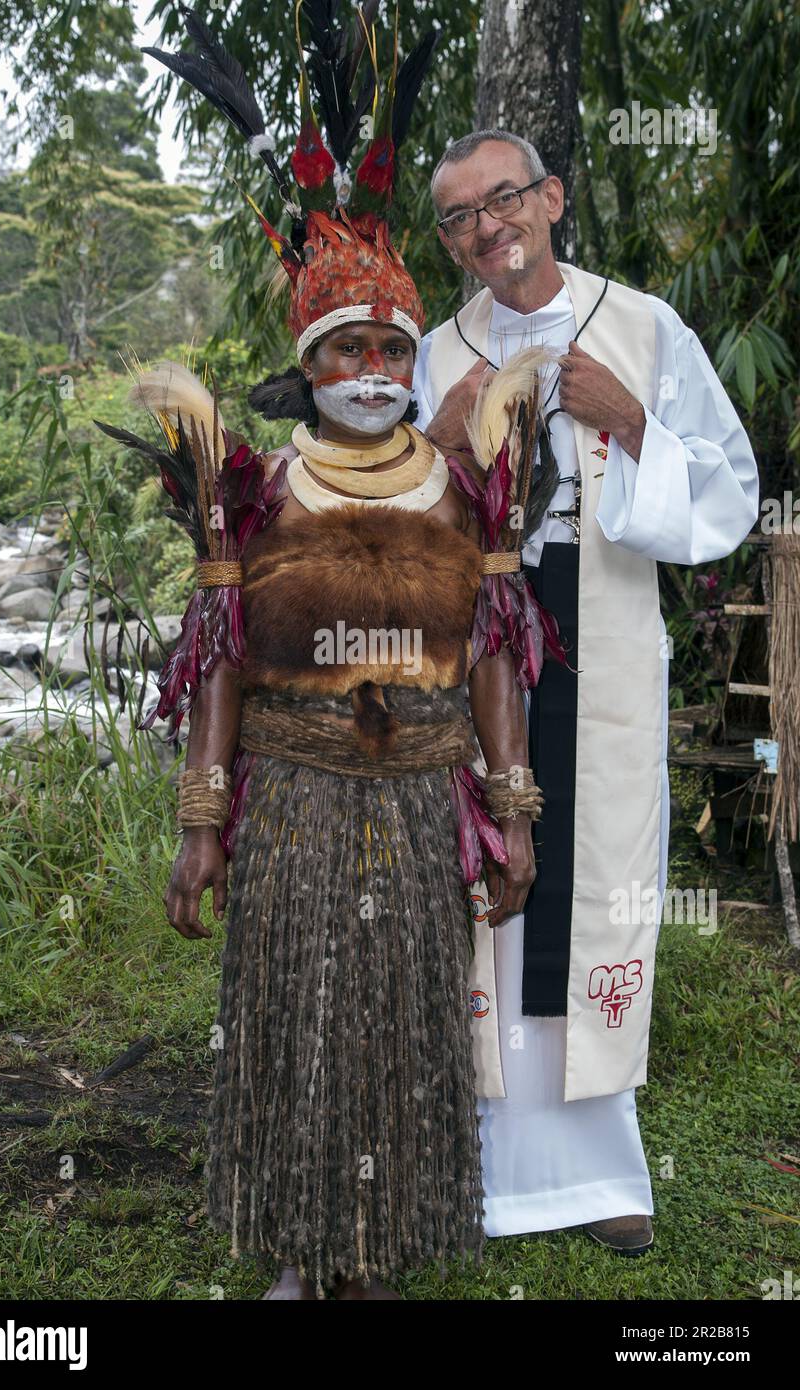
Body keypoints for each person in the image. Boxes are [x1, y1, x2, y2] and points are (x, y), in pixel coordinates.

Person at [95, 8, 563, 1300]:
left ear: (418, 361)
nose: (372, 366)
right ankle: (304, 1247)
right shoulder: (258, 488)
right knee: (297, 1022)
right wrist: (203, 818)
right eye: (347, 348)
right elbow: (225, 662)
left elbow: (495, 655)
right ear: (308, 367)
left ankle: (371, 1249)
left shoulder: (466, 488)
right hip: (294, 801)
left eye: (393, 347)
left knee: (397, 1029)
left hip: (420, 801)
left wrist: (512, 811)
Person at [412, 129, 759, 1254]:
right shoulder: (434, 348)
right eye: (459, 216)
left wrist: (633, 419)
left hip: (604, 627)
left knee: (602, 874)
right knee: (487, 871)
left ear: (550, 197)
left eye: (503, 198)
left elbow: (731, 488)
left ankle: (601, 1168)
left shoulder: (647, 328)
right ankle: (475, 1162)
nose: (485, 228)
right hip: (478, 641)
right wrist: (437, 437)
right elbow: (386, 520)